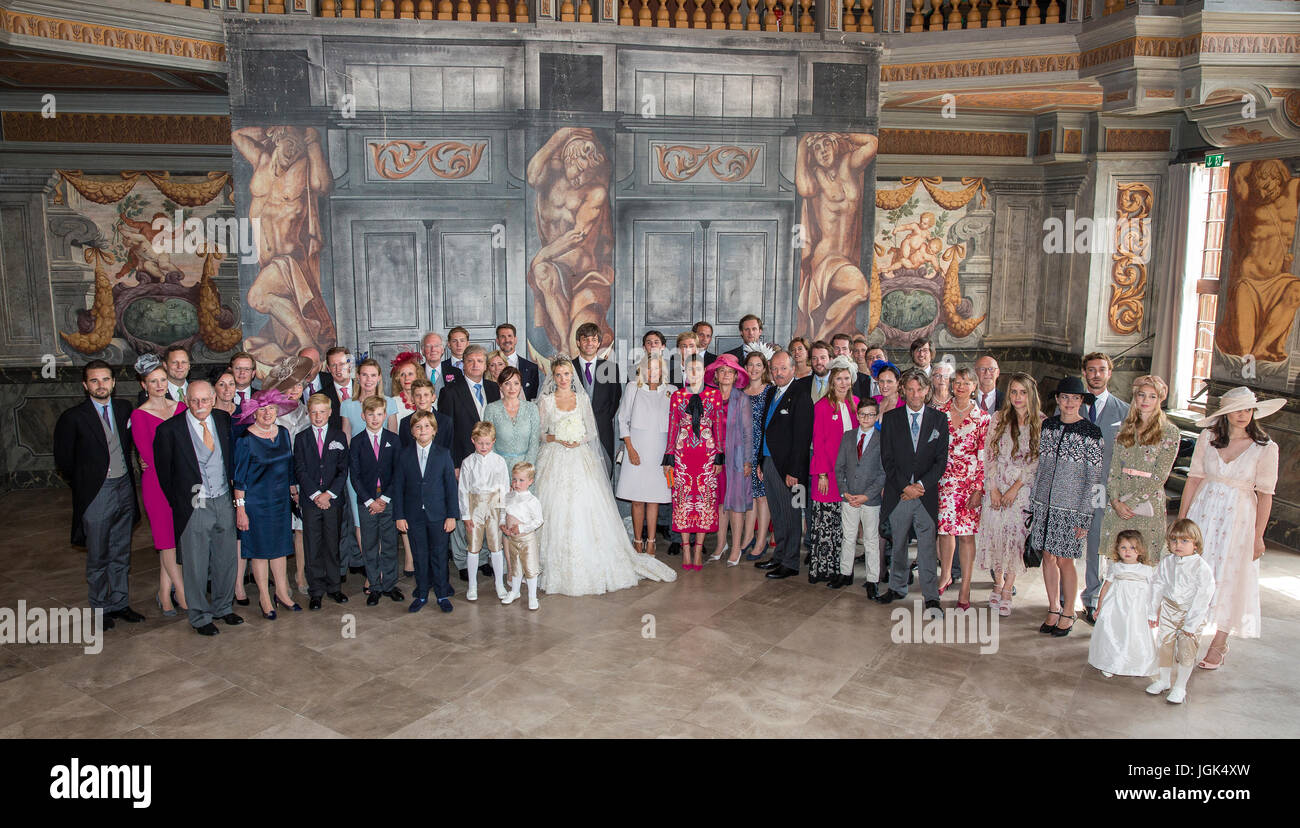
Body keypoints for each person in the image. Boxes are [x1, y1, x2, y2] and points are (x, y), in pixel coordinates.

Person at [535, 357, 677, 595]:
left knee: (585, 507)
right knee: (556, 507)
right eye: (558, 375)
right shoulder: (546, 401)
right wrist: (558, 438)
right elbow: (540, 433)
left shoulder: (581, 400)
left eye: (566, 374)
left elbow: (591, 431)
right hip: (555, 457)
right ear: (553, 376)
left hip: (579, 456)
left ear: (572, 376)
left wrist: (578, 439)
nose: (562, 379)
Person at [1177, 386, 1282, 669]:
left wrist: (1258, 537)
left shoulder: (1265, 448)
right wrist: (1182, 519)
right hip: (1204, 513)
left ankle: (1219, 642)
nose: (1243, 415)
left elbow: (1266, 495)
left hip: (1239, 519)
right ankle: (1190, 632)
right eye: (1237, 410)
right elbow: (1194, 479)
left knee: (1232, 575)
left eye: (1248, 410)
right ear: (1225, 413)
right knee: (1196, 572)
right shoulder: (1208, 439)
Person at [53, 360, 144, 630]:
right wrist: (88, 482)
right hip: (97, 493)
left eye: (105, 379)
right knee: (98, 554)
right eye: (94, 380)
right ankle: (100, 607)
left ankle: (120, 602)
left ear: (113, 383)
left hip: (124, 488)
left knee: (121, 550)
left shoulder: (124, 408)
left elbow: (131, 445)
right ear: (85, 385)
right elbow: (65, 461)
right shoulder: (73, 417)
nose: (100, 385)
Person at [152, 380, 243, 636]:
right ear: (186, 401)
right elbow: (164, 473)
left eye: (204, 400)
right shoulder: (169, 430)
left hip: (224, 498)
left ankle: (224, 608)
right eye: (194, 400)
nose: (199, 405)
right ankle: (200, 616)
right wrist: (183, 502)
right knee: (196, 563)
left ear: (214, 399)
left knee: (226, 558)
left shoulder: (224, 420)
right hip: (194, 502)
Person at [1028, 376, 1104, 638]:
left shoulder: (1091, 433)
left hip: (1071, 508)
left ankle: (1069, 610)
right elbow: (1040, 465)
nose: (1069, 402)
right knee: (1048, 557)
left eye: (1075, 398)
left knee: (1065, 560)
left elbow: (1094, 477)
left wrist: (1085, 516)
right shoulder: (1047, 426)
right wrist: (1034, 501)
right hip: (1044, 504)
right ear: (1058, 400)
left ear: (1082, 401)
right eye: (1065, 397)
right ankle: (1053, 606)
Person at [875, 369, 949, 618]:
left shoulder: (938, 420)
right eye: (910, 389)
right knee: (898, 544)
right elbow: (888, 458)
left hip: (925, 496)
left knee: (927, 548)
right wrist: (905, 486)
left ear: (927, 391)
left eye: (920, 389)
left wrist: (921, 486)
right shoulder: (892, 418)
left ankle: (931, 595)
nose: (915, 394)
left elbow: (941, 461)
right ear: (903, 391)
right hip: (900, 493)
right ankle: (897, 586)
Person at [975, 373, 1044, 616]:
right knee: (996, 536)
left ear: (1031, 395)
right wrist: (991, 487)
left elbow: (1035, 461)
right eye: (1013, 392)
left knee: (1015, 539)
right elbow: (988, 453)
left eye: (1022, 392)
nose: (1017, 397)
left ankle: (1008, 588)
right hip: (996, 484)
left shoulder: (1040, 422)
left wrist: (1015, 488)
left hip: (1021, 488)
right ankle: (996, 583)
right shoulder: (999, 418)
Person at [234, 388, 301, 619]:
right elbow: (239, 480)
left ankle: (282, 592)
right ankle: (264, 596)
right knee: (261, 552)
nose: (267, 413)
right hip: (256, 504)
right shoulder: (245, 440)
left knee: (281, 549)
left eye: (271, 409)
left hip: (281, 502)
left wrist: (294, 492)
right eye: (262, 410)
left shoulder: (283, 433)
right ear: (254, 412)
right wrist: (240, 510)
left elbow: (289, 467)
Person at [1099, 375, 1180, 564]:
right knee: (1117, 560)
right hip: (1120, 501)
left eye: (1152, 396)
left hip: (1148, 501)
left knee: (1145, 560)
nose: (1145, 400)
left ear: (1160, 399)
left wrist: (1133, 503)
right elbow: (1114, 469)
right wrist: (1116, 501)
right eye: (1142, 395)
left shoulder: (1170, 432)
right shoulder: (1125, 428)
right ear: (1135, 397)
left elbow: (1160, 476)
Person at [130, 355, 188, 616]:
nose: (159, 385)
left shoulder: (180, 408)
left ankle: (165, 593)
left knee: (176, 540)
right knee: (166, 541)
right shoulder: (139, 415)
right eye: (153, 381)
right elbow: (149, 455)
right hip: (157, 483)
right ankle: (184, 595)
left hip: (182, 482)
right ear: (144, 385)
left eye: (162, 379)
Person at [438, 344, 500, 579]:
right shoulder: (450, 391)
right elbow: (446, 431)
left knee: (485, 509)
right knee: (465, 509)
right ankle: (464, 560)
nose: (476, 365)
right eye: (471, 361)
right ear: (462, 363)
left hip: (489, 461)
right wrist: (454, 463)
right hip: (463, 461)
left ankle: (483, 556)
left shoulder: (494, 388)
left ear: (485, 365)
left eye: (480, 361)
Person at [1079, 352, 1130, 624]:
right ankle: (1063, 598)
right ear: (1084, 374)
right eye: (1091, 370)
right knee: (1068, 543)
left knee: (1097, 543)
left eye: (1101, 370)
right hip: (1073, 487)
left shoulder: (1124, 412)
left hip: (1103, 488)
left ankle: (1093, 597)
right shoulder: (1071, 405)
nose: (1096, 374)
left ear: (1109, 373)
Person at [754, 350, 814, 579]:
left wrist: (795, 472)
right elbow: (765, 429)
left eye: (783, 369)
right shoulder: (772, 393)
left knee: (791, 515)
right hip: (769, 463)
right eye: (775, 369)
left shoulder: (801, 395)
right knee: (777, 514)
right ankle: (778, 556)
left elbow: (802, 438)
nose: (778, 373)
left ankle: (790, 563)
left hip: (789, 469)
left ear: (793, 369)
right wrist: (761, 461)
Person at [662, 357, 726, 571]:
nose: (694, 373)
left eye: (698, 369)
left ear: (704, 371)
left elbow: (718, 426)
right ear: (684, 372)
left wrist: (719, 455)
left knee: (705, 503)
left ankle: (698, 549)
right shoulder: (678, 396)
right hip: (682, 457)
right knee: (683, 502)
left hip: (707, 457)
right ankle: (686, 549)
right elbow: (672, 425)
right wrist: (669, 456)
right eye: (690, 370)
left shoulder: (714, 395)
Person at [392, 410, 458, 614]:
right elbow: (398, 487)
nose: (423, 430)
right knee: (420, 555)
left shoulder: (443, 454)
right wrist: (400, 515)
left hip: (438, 515)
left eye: (427, 426)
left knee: (439, 555)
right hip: (413, 516)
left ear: (434, 430)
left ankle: (442, 594)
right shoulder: (404, 455)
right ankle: (421, 593)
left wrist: (451, 515)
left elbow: (450, 487)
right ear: (412, 431)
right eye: (418, 427)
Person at [1146, 519, 1216, 704]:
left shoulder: (1201, 568)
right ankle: (1163, 680)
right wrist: (1153, 611)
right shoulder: (1167, 562)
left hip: (1190, 612)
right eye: (1174, 541)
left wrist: (1191, 624)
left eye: (1184, 541)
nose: (1178, 545)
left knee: (1186, 649)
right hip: (1169, 610)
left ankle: (1180, 686)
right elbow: (1157, 585)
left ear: (1195, 544)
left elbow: (1203, 597)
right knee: (1164, 644)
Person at [936, 367, 989, 610]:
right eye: (956, 382)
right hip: (944, 481)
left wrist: (979, 489)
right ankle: (945, 574)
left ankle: (965, 588)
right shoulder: (940, 412)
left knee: (966, 537)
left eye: (966, 382)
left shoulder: (982, 418)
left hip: (969, 484)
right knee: (945, 532)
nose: (960, 386)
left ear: (974, 387)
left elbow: (983, 457)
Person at [293, 394, 350, 610]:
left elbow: (343, 469)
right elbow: (300, 469)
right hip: (310, 502)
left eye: (322, 412)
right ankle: (315, 590)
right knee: (313, 545)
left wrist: (329, 494)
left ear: (329, 412)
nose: (318, 416)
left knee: (332, 544)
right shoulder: (302, 438)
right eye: (314, 412)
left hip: (333, 501)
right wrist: (316, 495)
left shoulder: (339, 437)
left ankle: (334, 587)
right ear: (309, 412)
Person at [615, 350, 674, 553]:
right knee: (637, 497)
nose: (653, 372)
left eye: (657, 368)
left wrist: (670, 456)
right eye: (649, 368)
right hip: (637, 449)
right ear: (643, 370)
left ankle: (651, 541)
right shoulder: (633, 388)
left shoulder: (671, 391)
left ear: (662, 370)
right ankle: (638, 540)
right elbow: (623, 419)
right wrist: (630, 448)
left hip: (660, 451)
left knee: (654, 498)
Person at [808, 359, 858, 584]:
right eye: (838, 378)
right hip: (828, 474)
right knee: (825, 524)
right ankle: (823, 569)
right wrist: (822, 474)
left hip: (850, 476)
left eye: (846, 378)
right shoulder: (822, 406)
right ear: (831, 381)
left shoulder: (856, 405)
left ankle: (843, 570)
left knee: (845, 527)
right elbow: (819, 442)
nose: (843, 383)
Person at [350, 396, 403, 606]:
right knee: (370, 544)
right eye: (370, 414)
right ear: (363, 416)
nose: (375, 418)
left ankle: (389, 584)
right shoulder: (357, 442)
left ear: (385, 416)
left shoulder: (394, 440)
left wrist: (385, 498)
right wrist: (370, 500)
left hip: (388, 500)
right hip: (367, 502)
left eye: (379, 414)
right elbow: (354, 475)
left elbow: (399, 472)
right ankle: (374, 585)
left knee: (390, 543)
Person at [1087, 529, 1158, 679]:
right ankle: (1110, 662)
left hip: (1137, 608)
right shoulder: (1115, 566)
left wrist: (1154, 611)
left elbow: (1153, 592)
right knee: (1114, 633)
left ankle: (1137, 664)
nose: (1128, 551)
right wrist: (1100, 606)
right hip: (1116, 606)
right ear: (1117, 549)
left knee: (1135, 634)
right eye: (1123, 548)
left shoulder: (1147, 570)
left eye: (1132, 548)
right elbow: (1106, 586)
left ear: (1140, 550)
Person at [835, 398, 885, 593]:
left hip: (870, 499)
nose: (866, 418)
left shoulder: (881, 440)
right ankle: (845, 573)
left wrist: (866, 495)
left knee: (871, 539)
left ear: (876, 416)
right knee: (848, 537)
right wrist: (844, 491)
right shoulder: (848, 437)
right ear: (857, 415)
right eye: (862, 414)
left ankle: (872, 580)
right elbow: (839, 467)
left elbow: (883, 473)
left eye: (871, 414)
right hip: (848, 497)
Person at [707, 354, 753, 566]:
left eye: (730, 371)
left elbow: (747, 432)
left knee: (735, 504)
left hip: (735, 458)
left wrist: (747, 461)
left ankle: (736, 547)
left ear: (736, 376)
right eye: (722, 371)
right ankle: (720, 544)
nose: (726, 375)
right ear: (715, 375)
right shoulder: (710, 397)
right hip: (714, 459)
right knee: (718, 504)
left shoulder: (742, 399)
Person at [459, 421, 511, 602]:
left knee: (496, 547)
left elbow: (504, 488)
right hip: (475, 508)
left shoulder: (499, 462)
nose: (484, 447)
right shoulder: (467, 462)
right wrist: (465, 515)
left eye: (488, 443)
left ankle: (499, 584)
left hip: (495, 508)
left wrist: (503, 515)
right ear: (473, 441)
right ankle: (472, 585)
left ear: (493, 442)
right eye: (480, 442)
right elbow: (463, 490)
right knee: (473, 548)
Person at [572, 321, 620, 468]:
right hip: (574, 432)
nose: (589, 343)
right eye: (585, 339)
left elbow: (614, 400)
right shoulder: (567, 367)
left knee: (604, 471)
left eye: (593, 339)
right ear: (578, 342)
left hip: (602, 430)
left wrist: (601, 418)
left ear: (599, 343)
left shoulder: (610, 368)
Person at [483, 366, 541, 483]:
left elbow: (535, 441)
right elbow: (488, 440)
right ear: (500, 386)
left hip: (526, 469)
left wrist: (526, 469)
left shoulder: (532, 408)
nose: (512, 388)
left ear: (520, 385)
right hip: (499, 469)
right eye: (507, 383)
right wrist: (497, 466)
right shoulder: (491, 409)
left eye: (516, 383)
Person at [740, 351, 772, 560]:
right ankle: (747, 536)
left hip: (762, 448)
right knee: (749, 496)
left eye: (758, 365)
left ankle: (762, 540)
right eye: (750, 365)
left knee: (762, 496)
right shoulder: (740, 391)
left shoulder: (770, 391)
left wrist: (762, 457)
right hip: (743, 449)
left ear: (764, 368)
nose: (754, 369)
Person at [500, 462, 544, 610]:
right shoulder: (508, 496)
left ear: (530, 481)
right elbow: (503, 512)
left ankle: (532, 596)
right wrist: (502, 525)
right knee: (515, 566)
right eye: (514, 479)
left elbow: (538, 520)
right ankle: (514, 591)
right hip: (512, 539)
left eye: (521, 480)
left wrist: (522, 527)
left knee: (530, 568)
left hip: (527, 540)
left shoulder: (532, 501)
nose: (516, 483)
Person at [397, 379, 453, 453]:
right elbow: (403, 452)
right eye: (418, 395)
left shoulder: (445, 421)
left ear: (433, 397)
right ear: (412, 398)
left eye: (426, 395)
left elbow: (450, 450)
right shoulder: (405, 422)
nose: (422, 399)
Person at [495, 323, 540, 400]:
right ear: (497, 341)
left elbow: (532, 398)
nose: (507, 340)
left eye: (510, 336)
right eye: (503, 337)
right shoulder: (489, 367)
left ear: (515, 340)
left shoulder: (532, 368)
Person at [385, 351, 426, 433]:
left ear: (418, 376)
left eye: (410, 374)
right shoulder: (392, 402)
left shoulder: (428, 400)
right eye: (402, 374)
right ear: (398, 378)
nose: (406, 378)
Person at [314, 346, 353, 430]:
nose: (338, 369)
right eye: (333, 365)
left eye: (342, 364)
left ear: (349, 365)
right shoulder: (321, 396)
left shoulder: (364, 389)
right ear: (328, 368)